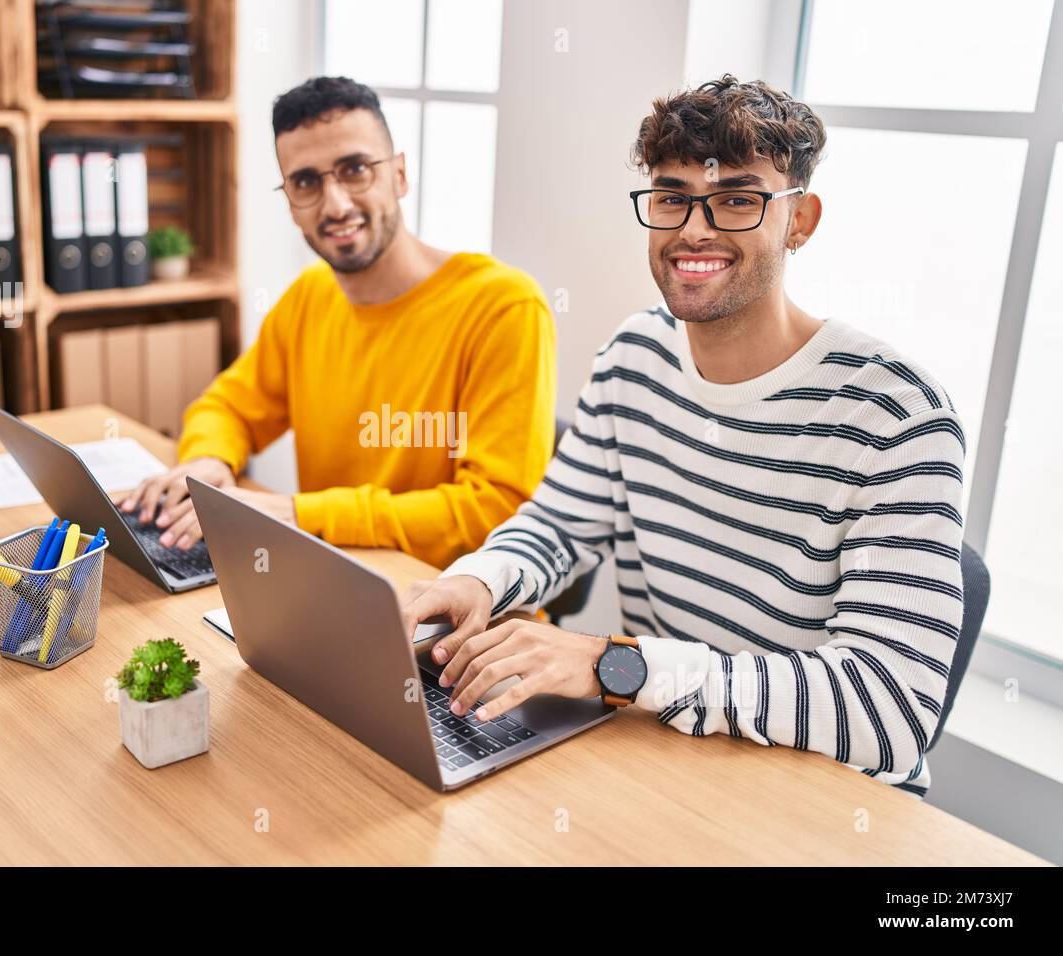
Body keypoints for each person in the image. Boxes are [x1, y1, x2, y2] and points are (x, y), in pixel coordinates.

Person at [400, 75, 964, 796]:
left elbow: (889, 711)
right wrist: (479, 578)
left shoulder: (895, 416)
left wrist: (617, 666)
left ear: (800, 221)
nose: (694, 230)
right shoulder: (635, 355)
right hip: (674, 767)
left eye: (737, 199)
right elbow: (559, 525)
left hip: (824, 807)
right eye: (672, 197)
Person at [119, 76, 555, 569]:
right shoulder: (311, 295)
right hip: (336, 576)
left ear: (400, 175)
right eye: (306, 182)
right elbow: (228, 407)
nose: (336, 205)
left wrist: (298, 513)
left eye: (355, 170)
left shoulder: (503, 306)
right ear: (290, 202)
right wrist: (206, 461)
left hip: (465, 615)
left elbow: (495, 509)